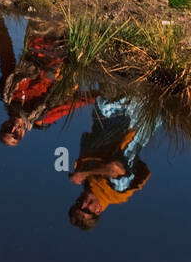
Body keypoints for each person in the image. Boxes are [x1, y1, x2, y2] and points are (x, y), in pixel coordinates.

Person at [67, 96, 158, 230]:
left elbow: (93, 133)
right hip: (140, 114)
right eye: (86, 210)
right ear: (98, 210)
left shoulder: (86, 175)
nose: (83, 204)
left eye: (78, 205)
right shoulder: (116, 191)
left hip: (111, 107)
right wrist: (85, 173)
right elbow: (115, 168)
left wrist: (92, 100)